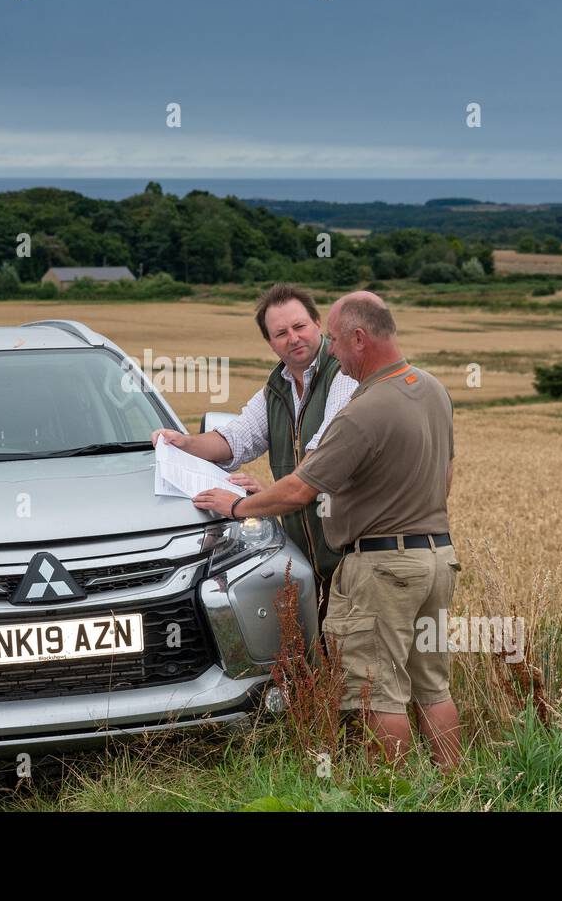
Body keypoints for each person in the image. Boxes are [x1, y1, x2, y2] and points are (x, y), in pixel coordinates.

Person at [192, 291, 461, 769]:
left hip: (381, 566)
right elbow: (445, 475)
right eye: (281, 332)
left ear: (358, 338)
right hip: (437, 556)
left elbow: (299, 488)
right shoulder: (432, 387)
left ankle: (390, 794)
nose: (330, 350)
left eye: (332, 338)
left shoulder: (361, 409)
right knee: (431, 684)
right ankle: (455, 784)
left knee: (377, 693)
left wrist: (239, 505)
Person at [151, 283, 356, 621]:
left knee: (355, 661)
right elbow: (236, 438)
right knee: (319, 659)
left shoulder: (342, 375)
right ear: (270, 342)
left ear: (318, 323)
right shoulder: (278, 387)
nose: (293, 338)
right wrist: (183, 442)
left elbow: (319, 457)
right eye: (281, 333)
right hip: (305, 559)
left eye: (300, 326)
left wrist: (247, 503)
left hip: (348, 555)